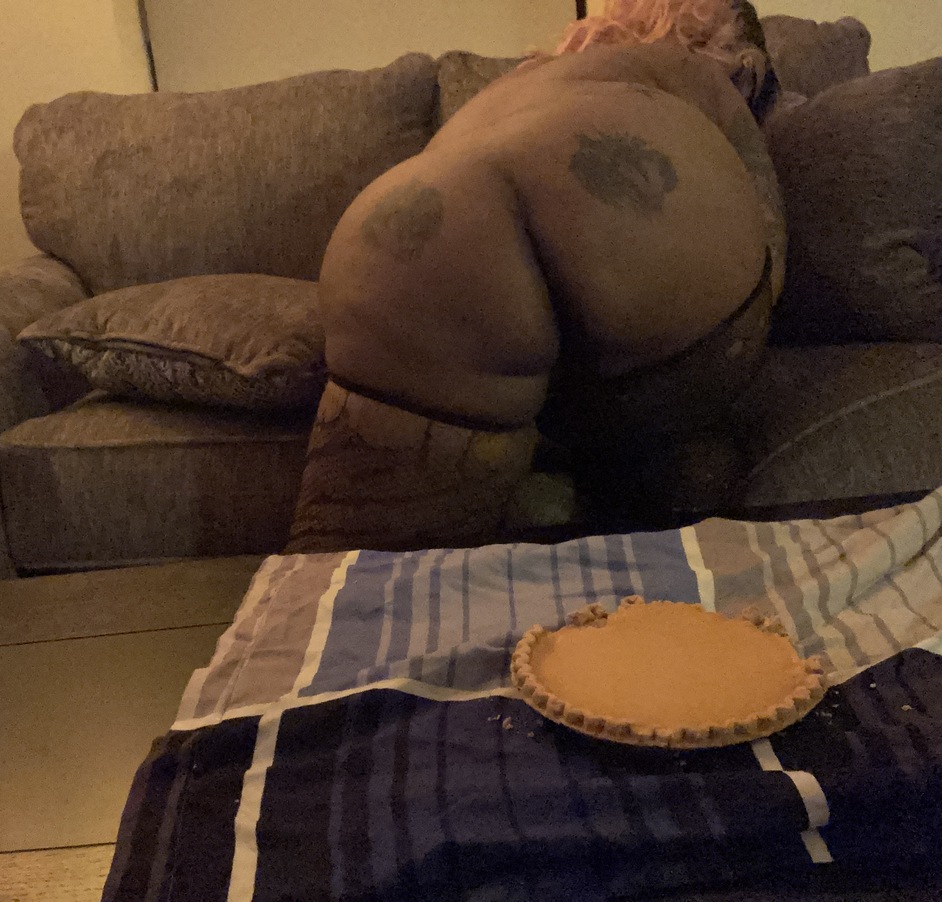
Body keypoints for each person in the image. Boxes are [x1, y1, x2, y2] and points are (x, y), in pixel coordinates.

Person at [285, 0, 785, 554]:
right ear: (742, 62)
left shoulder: (519, 82)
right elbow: (770, 242)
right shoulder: (696, 76)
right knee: (691, 468)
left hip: (407, 224)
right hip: (632, 225)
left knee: (356, 569)